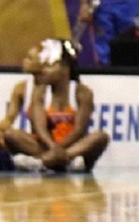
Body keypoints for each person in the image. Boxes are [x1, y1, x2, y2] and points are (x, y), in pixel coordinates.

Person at [26, 39, 111, 172]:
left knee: (101, 137)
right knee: (11, 135)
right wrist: (53, 147)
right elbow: (39, 128)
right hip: (47, 146)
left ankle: (54, 160)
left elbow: (79, 130)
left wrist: (60, 150)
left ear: (64, 68)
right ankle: (55, 160)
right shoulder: (40, 92)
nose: (44, 71)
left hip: (73, 147)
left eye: (50, 66)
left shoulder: (82, 92)